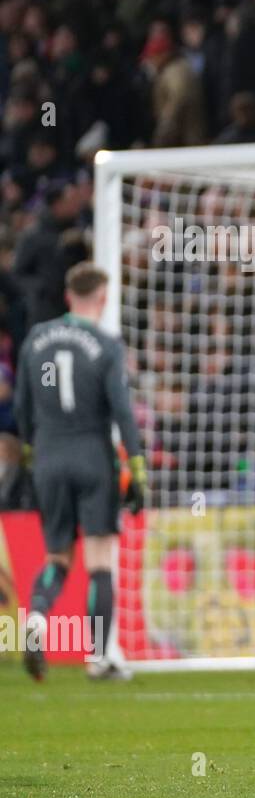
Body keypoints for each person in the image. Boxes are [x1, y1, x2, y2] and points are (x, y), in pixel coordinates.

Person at [13, 263, 147, 681]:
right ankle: (100, 658)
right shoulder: (106, 345)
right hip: (92, 456)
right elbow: (122, 412)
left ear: (68, 296)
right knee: (101, 559)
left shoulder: (35, 340)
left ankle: (37, 619)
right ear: (103, 299)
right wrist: (138, 467)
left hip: (50, 456)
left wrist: (33, 456)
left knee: (57, 556)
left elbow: (21, 407)